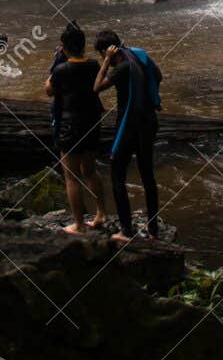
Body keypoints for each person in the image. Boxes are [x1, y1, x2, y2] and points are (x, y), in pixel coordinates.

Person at [94, 28, 163, 245]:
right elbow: (158, 74)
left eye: (102, 54)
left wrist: (105, 63)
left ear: (109, 51)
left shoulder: (120, 67)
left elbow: (96, 88)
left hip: (131, 124)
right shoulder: (138, 53)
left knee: (117, 174)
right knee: (147, 175)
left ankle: (126, 230)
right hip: (148, 120)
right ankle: (153, 230)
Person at [46, 22, 105, 235]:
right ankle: (101, 213)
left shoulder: (62, 69)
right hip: (92, 121)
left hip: (71, 124)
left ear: (64, 47)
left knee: (71, 175)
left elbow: (48, 90)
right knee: (90, 170)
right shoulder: (94, 65)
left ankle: (79, 224)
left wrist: (56, 61)